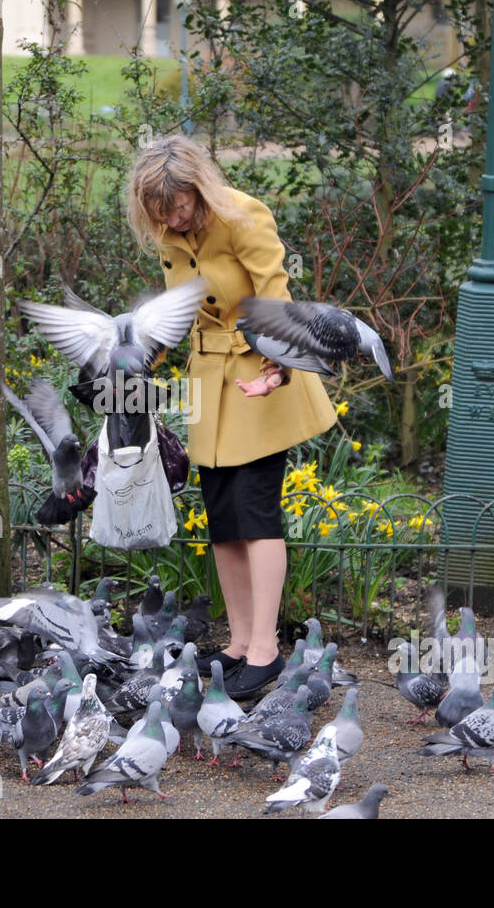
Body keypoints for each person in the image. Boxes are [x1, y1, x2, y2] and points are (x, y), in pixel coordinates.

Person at [126, 136, 337, 699]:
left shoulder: (243, 217)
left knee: (255, 511)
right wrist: (134, 365)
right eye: (162, 209)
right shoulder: (168, 237)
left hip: (261, 379)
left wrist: (276, 368)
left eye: (180, 203)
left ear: (198, 186)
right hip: (208, 385)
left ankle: (267, 648)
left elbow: (276, 295)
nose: (173, 215)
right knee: (222, 516)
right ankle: (239, 642)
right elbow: (174, 316)